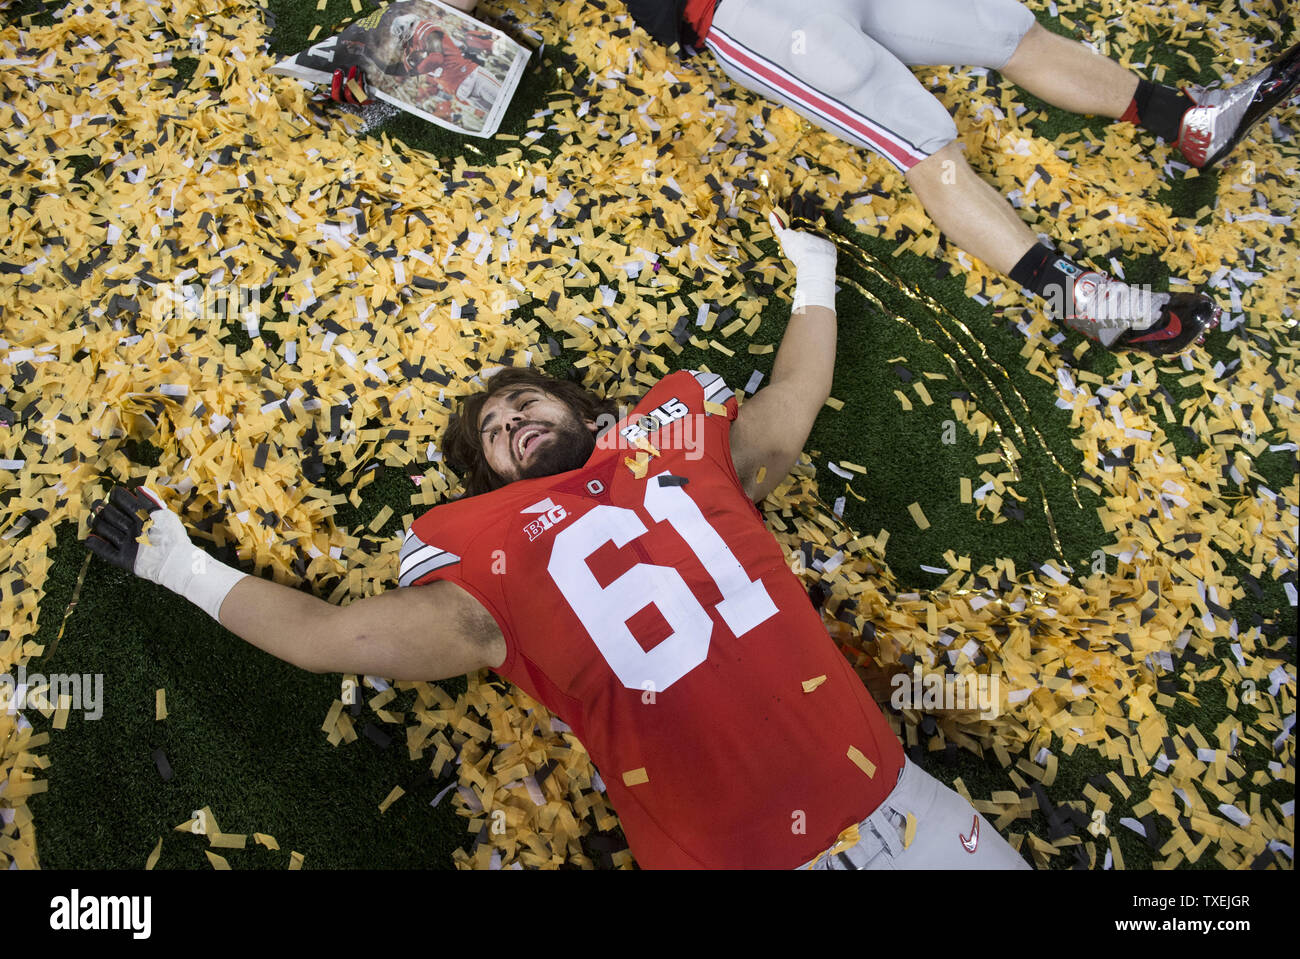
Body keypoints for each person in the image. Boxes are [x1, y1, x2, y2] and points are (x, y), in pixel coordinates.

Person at [84, 215, 1030, 870]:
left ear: (583, 408)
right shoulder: (486, 564)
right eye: (493, 432)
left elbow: (794, 400)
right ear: (490, 482)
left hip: (906, 808)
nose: (510, 417)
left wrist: (812, 273)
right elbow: (332, 637)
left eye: (523, 399)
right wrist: (175, 561)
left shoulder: (680, 442)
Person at [624, 0, 1300, 356]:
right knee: (923, 141)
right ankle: (1084, 301)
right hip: (753, 15)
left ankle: (1188, 122)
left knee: (1003, 27)